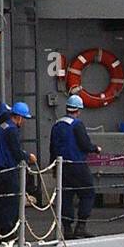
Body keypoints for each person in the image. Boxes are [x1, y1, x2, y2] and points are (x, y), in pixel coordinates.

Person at [49, 94, 102, 239]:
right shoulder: (77, 125)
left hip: (62, 167)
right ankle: (81, 225)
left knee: (66, 196)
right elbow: (84, 144)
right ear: (78, 110)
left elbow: (52, 147)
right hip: (78, 165)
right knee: (88, 193)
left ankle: (67, 228)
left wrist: (53, 167)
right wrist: (95, 148)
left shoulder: (57, 124)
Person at [0, 101, 36, 247]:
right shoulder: (12, 130)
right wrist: (29, 157)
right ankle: (10, 234)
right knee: (12, 202)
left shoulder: (2, 126)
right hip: (8, 169)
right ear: (20, 117)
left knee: (1, 201)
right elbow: (16, 151)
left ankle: (2, 232)